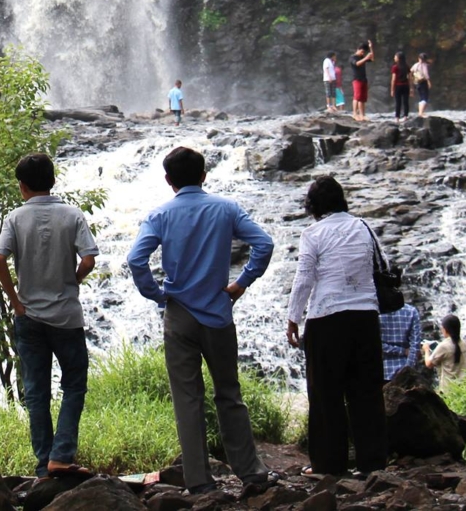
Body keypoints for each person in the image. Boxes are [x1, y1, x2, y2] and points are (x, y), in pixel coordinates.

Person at [127, 147, 278, 494]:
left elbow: (136, 260)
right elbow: (264, 244)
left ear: (168, 180)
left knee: (187, 398)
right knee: (229, 393)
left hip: (179, 314)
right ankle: (251, 473)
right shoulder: (226, 208)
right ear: (204, 175)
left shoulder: (159, 215)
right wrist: (240, 283)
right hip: (218, 312)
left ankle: (199, 482)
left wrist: (157, 294)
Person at [0, 153, 99, 478]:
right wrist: (73, 280)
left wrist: (15, 301)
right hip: (66, 315)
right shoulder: (72, 214)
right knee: (74, 386)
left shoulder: (14, 218)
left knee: (36, 391)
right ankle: (62, 455)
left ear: (22, 186)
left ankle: (43, 465)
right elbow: (90, 259)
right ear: (53, 181)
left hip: (29, 317)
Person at [286, 175, 388, 476]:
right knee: (367, 392)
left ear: (313, 205)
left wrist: (293, 317)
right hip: (365, 316)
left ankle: (329, 465)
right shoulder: (363, 227)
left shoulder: (313, 233)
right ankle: (372, 464)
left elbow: (304, 276)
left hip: (326, 318)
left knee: (325, 394)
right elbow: (384, 265)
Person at [422, 314, 466, 389]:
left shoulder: (444, 346)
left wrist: (426, 349)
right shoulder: (465, 344)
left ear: (445, 329)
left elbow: (428, 364)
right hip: (465, 390)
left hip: (449, 391)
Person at [379, 300, 422, 382]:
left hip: (382, 372)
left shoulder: (375, 312)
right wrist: (408, 371)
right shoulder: (411, 311)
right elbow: (416, 346)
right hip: (406, 371)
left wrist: (401, 351)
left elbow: (375, 345)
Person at [351, 41, 374, 121]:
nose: (363, 53)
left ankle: (362, 114)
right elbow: (357, 64)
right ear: (358, 49)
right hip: (357, 79)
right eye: (362, 51)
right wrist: (366, 58)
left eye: (364, 52)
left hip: (364, 79)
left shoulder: (362, 57)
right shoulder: (353, 57)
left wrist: (371, 48)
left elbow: (372, 58)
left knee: (363, 98)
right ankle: (355, 114)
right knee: (357, 97)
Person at [389, 52, 411, 121]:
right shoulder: (407, 66)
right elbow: (410, 78)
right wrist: (411, 88)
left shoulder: (395, 67)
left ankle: (397, 117)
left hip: (398, 86)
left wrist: (392, 89)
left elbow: (393, 79)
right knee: (406, 101)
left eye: (395, 57)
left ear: (398, 58)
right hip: (406, 85)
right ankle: (405, 116)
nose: (394, 58)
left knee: (398, 102)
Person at [411, 53, 432, 118]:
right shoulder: (424, 65)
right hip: (423, 82)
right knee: (425, 98)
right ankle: (421, 113)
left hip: (417, 82)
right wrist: (429, 82)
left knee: (421, 97)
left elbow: (410, 71)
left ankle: (420, 112)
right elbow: (426, 74)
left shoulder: (415, 65)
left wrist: (412, 80)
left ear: (419, 58)